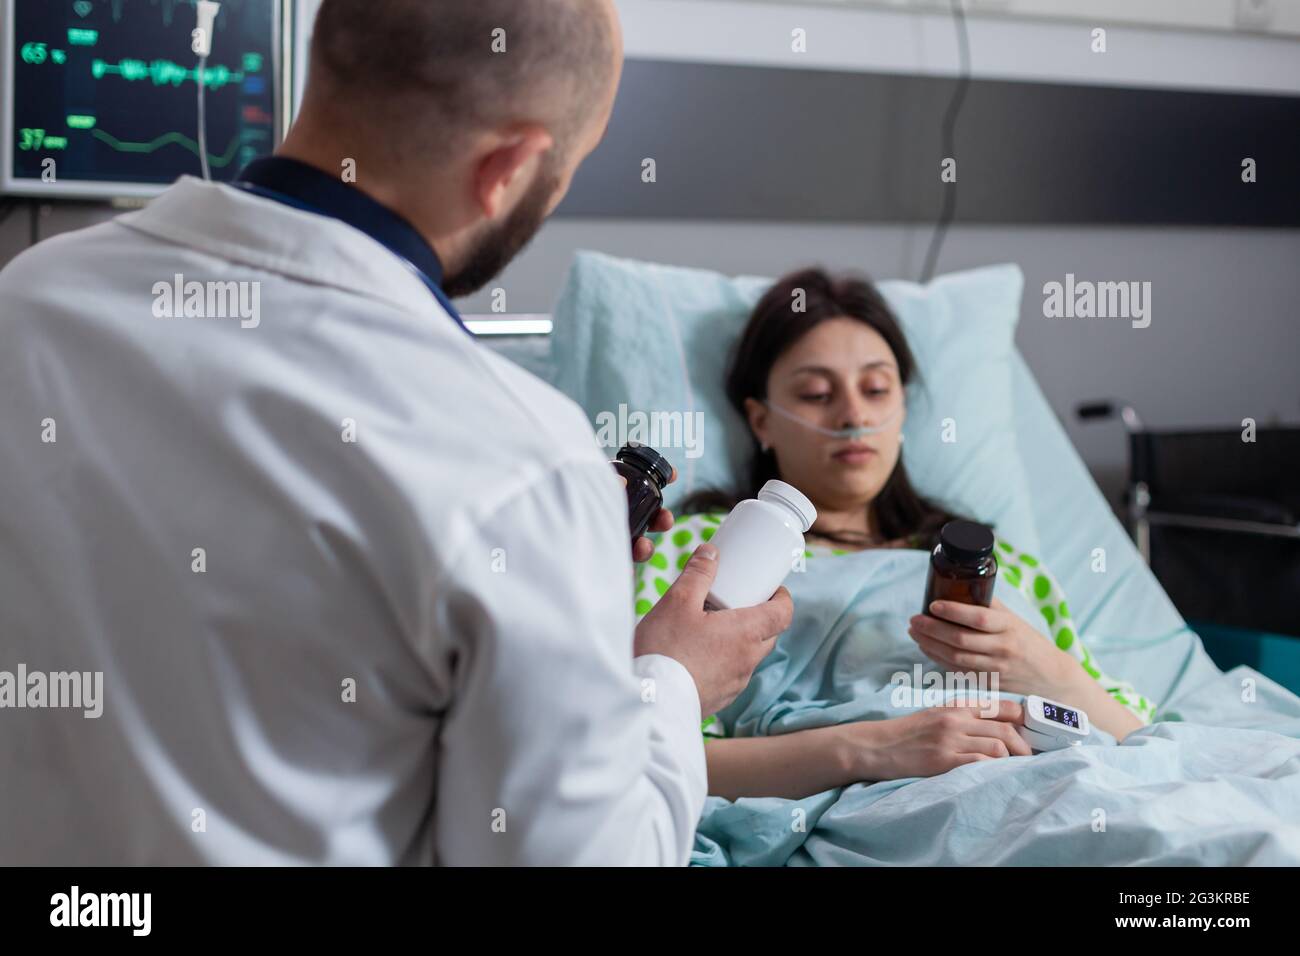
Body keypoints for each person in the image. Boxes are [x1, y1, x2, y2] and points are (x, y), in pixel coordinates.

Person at [0, 0, 790, 864]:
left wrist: (548, 563)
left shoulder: (30, 297)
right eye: (565, 173)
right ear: (510, 167)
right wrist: (670, 684)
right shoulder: (522, 460)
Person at [634, 268, 1156, 801]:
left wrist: (1051, 672)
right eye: (816, 394)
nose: (853, 415)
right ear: (762, 421)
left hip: (1069, 791)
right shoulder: (699, 551)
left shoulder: (1001, 565)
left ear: (901, 409)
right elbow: (640, 748)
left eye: (877, 389)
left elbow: (1141, 743)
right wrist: (873, 748)